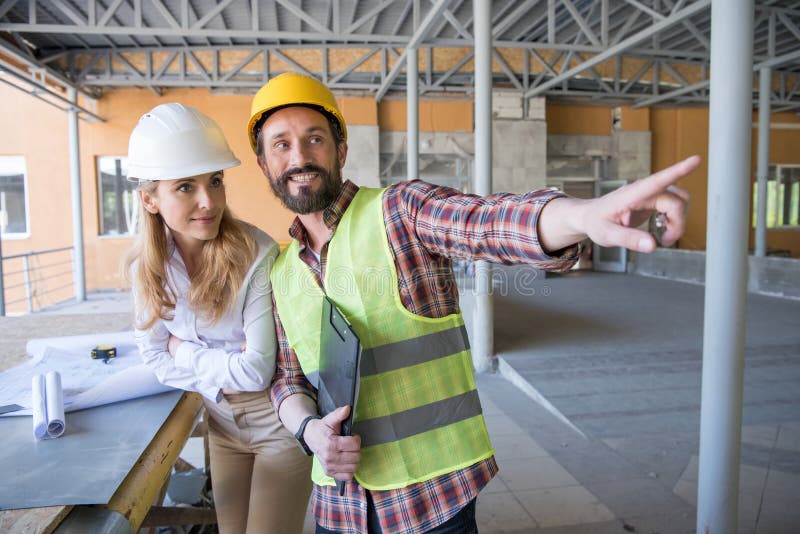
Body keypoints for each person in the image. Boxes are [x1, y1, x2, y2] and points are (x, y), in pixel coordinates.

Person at [247, 72, 699, 534]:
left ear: (341, 150)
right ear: (264, 164)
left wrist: (582, 215)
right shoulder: (280, 273)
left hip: (433, 502)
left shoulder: (400, 213)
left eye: (314, 138)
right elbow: (287, 380)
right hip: (338, 507)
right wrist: (309, 431)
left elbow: (485, 222)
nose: (299, 156)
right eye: (280, 144)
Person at [125, 102, 312, 533]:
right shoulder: (146, 268)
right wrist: (205, 362)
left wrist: (182, 350)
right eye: (185, 187)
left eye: (215, 181)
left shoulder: (256, 252)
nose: (208, 201)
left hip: (276, 423)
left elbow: (256, 370)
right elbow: (154, 361)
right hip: (221, 424)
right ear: (150, 199)